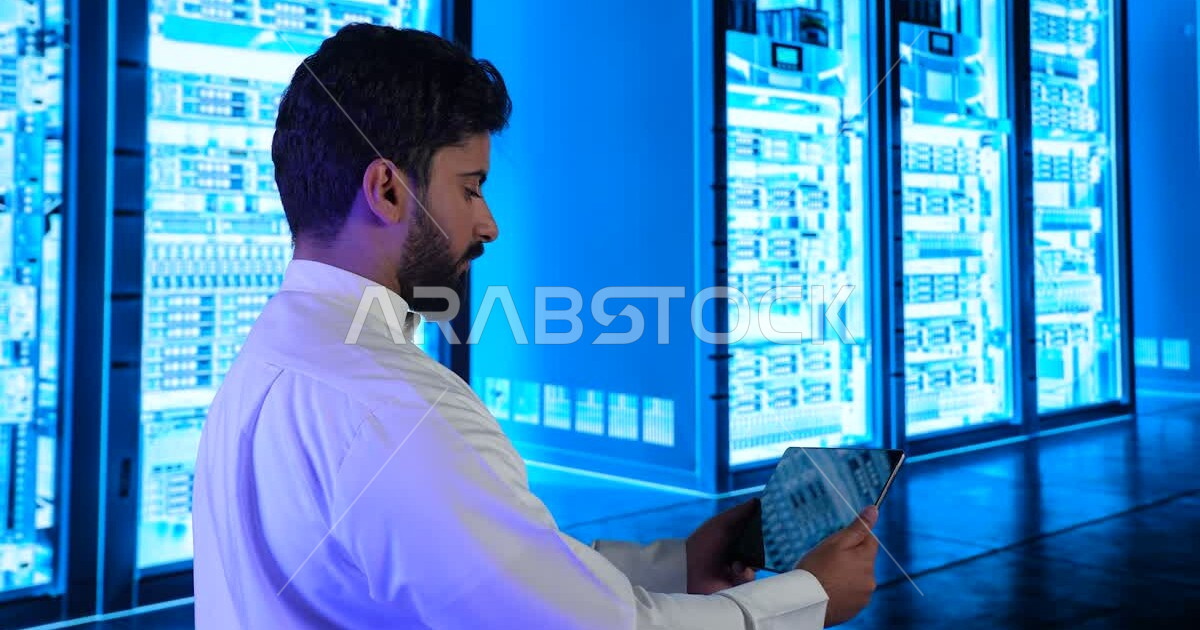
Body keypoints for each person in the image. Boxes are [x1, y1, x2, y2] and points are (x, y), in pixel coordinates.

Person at [191, 24, 880, 629]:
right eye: (470, 187)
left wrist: (678, 564)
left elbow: (485, 576)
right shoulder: (396, 409)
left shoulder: (264, 364)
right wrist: (807, 599)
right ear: (388, 189)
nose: (488, 224)